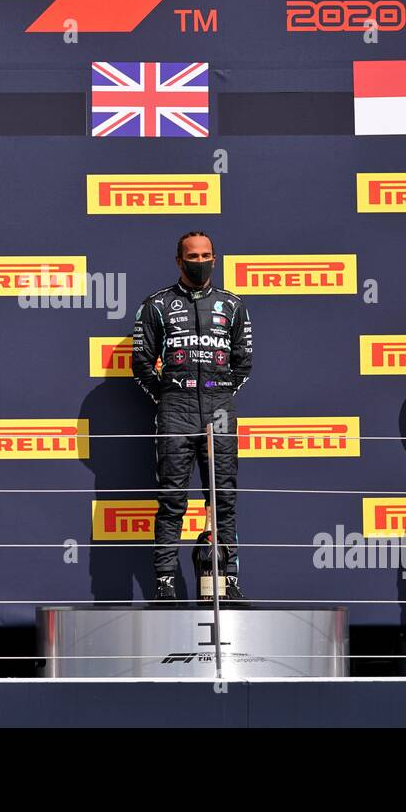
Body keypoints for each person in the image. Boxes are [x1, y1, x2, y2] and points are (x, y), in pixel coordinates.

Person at [132, 231, 253, 603]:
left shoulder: (232, 306)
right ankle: (165, 582)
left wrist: (218, 394)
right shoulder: (156, 305)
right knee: (172, 499)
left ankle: (227, 578)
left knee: (223, 498)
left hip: (219, 409)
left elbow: (243, 363)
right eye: (192, 256)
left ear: (215, 259)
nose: (199, 262)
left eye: (205, 255)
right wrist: (168, 395)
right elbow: (140, 363)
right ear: (178, 261)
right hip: (175, 410)